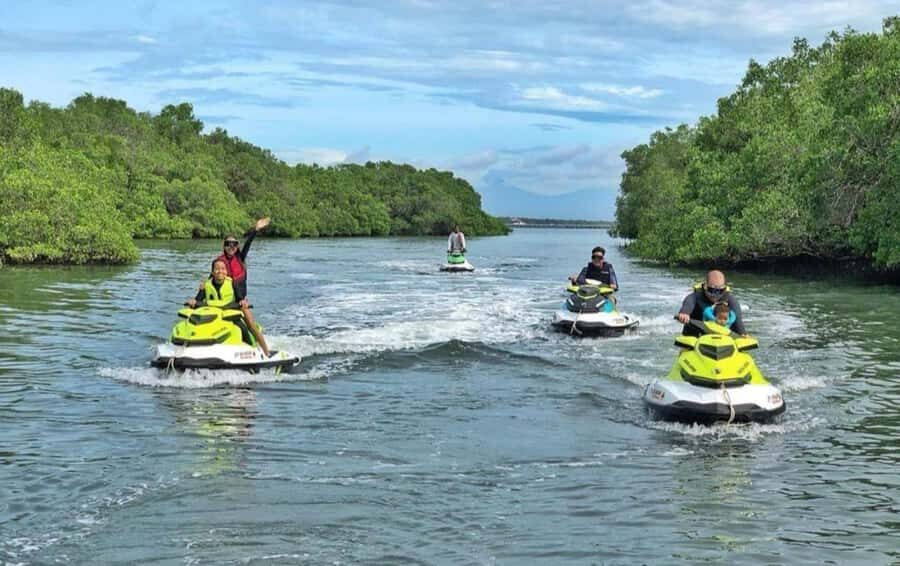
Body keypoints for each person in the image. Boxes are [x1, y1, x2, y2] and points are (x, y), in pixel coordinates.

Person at [188, 259, 271, 357]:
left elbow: (240, 298)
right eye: (217, 269)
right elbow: (198, 300)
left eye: (223, 269)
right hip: (213, 315)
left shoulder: (232, 283)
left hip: (231, 314)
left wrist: (242, 302)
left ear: (226, 271)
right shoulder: (206, 285)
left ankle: (260, 351)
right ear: (212, 272)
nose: (220, 271)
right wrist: (193, 302)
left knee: (244, 328)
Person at [677, 270, 746, 336]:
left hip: (723, 335)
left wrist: (743, 333)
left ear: (724, 289)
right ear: (705, 286)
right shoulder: (695, 296)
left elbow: (737, 319)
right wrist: (684, 313)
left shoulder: (731, 300)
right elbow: (688, 303)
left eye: (720, 291)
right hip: (695, 333)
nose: (715, 295)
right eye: (711, 290)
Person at [216, 216, 270, 299]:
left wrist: (256, 229)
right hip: (224, 297)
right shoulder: (219, 261)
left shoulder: (240, 258)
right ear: (223, 246)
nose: (231, 247)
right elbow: (212, 277)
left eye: (234, 244)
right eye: (228, 244)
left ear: (237, 246)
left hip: (240, 299)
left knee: (246, 310)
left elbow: (248, 243)